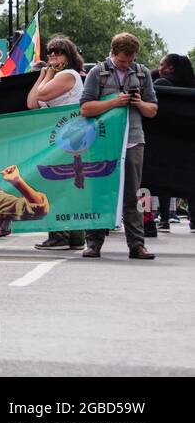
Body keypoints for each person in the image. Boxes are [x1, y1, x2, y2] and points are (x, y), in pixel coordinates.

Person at [80, 33, 159, 260]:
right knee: (99, 191)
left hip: (133, 138)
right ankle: (93, 243)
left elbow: (153, 110)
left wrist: (138, 103)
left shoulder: (142, 73)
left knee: (133, 194)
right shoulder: (98, 72)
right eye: (123, 60)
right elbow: (85, 108)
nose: (127, 64)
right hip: (103, 140)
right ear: (113, 53)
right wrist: (114, 101)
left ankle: (137, 245)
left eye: (130, 60)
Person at [28, 36, 87, 251]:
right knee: (61, 184)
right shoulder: (54, 76)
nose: (52, 55)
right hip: (57, 137)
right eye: (50, 52)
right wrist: (44, 73)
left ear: (69, 56)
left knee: (61, 185)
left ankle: (63, 235)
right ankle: (70, 235)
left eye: (58, 52)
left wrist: (49, 73)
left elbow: (42, 94)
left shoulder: (68, 75)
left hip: (69, 137)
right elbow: (32, 103)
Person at [152, 53, 195, 231]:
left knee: (162, 181)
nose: (159, 67)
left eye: (162, 64)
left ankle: (163, 219)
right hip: (189, 142)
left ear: (170, 67)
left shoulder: (161, 85)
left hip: (164, 140)